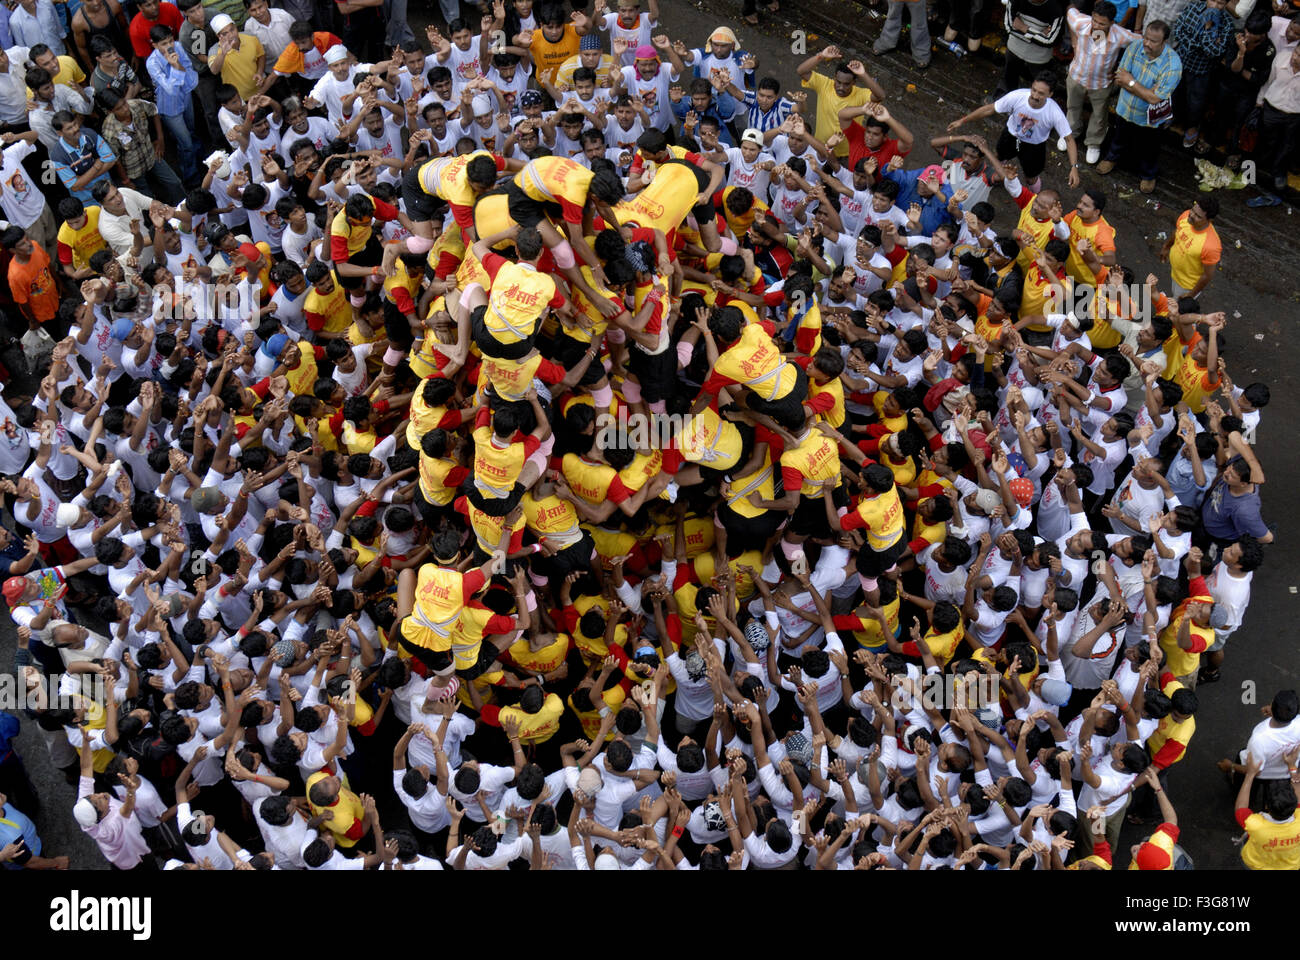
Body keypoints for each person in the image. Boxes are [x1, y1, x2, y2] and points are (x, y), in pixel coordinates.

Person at [1096, 20, 1183, 192]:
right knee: (1119, 138)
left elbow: (1155, 99)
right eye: (1146, 38)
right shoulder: (1135, 47)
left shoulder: (1173, 65)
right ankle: (1112, 159)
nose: (1147, 43)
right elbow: (1120, 78)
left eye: (1153, 41)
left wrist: (1131, 82)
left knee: (1150, 149)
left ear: (1164, 42)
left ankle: (1148, 175)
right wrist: (1143, 90)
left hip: (1150, 118)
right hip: (1126, 108)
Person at [1061, 1, 1139, 165]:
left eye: (1102, 23)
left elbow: (1141, 42)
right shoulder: (1080, 22)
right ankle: (1070, 134)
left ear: (1112, 22)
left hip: (1101, 83)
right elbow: (1070, 9)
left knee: (1099, 115)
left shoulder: (1121, 35)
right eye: (1094, 20)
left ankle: (1094, 143)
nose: (1096, 25)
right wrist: (1074, 36)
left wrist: (1124, 67)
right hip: (1076, 75)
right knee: (1072, 107)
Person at [1159, 198, 1221, 296]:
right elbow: (1177, 231)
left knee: (1177, 308)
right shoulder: (1185, 216)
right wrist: (1166, 246)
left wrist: (1190, 296)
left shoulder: (1211, 246)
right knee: (1173, 297)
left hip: (1186, 286)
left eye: (1198, 216)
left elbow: (1207, 276)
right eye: (1193, 210)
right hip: (1175, 273)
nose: (1191, 215)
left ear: (1209, 220)